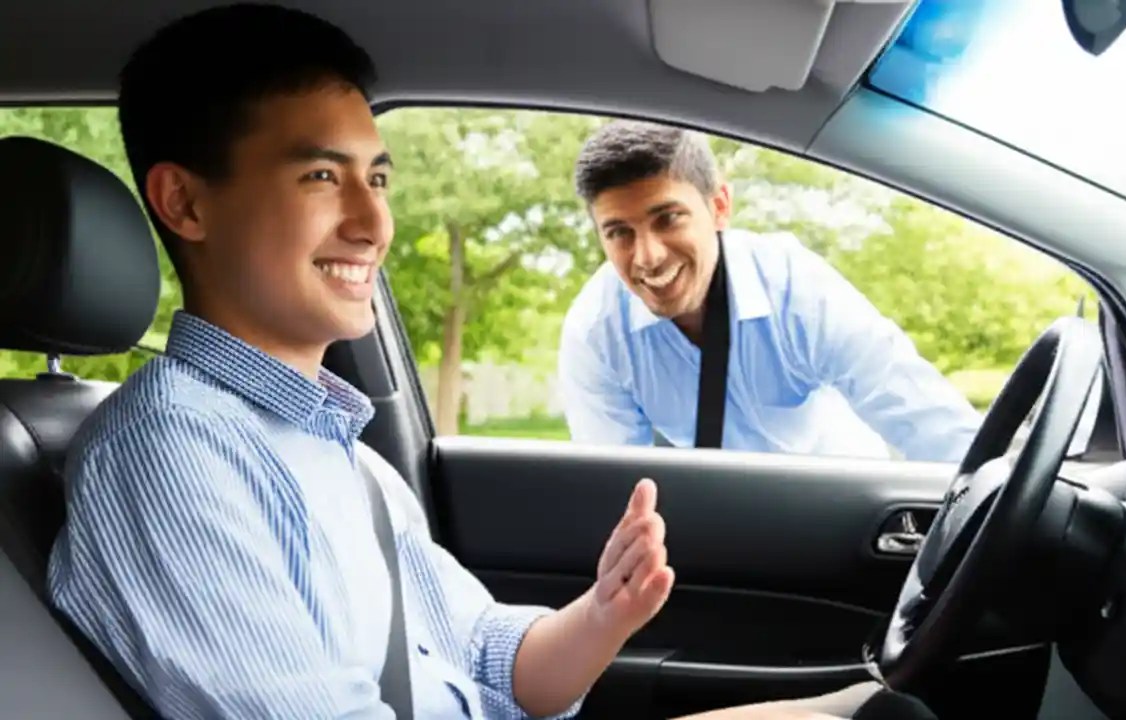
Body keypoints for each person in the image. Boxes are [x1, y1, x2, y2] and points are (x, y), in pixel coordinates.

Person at [45, 3, 912, 719]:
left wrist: (605, 612)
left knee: (876, 711)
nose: (373, 223)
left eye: (376, 180)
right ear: (185, 202)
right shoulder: (167, 459)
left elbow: (495, 655)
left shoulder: (335, 446)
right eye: (320, 178)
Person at [558, 121, 984, 462]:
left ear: (719, 207)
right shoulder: (596, 332)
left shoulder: (794, 287)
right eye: (619, 233)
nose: (647, 257)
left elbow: (924, 416)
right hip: (719, 531)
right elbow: (616, 484)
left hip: (845, 508)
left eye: (668, 219)